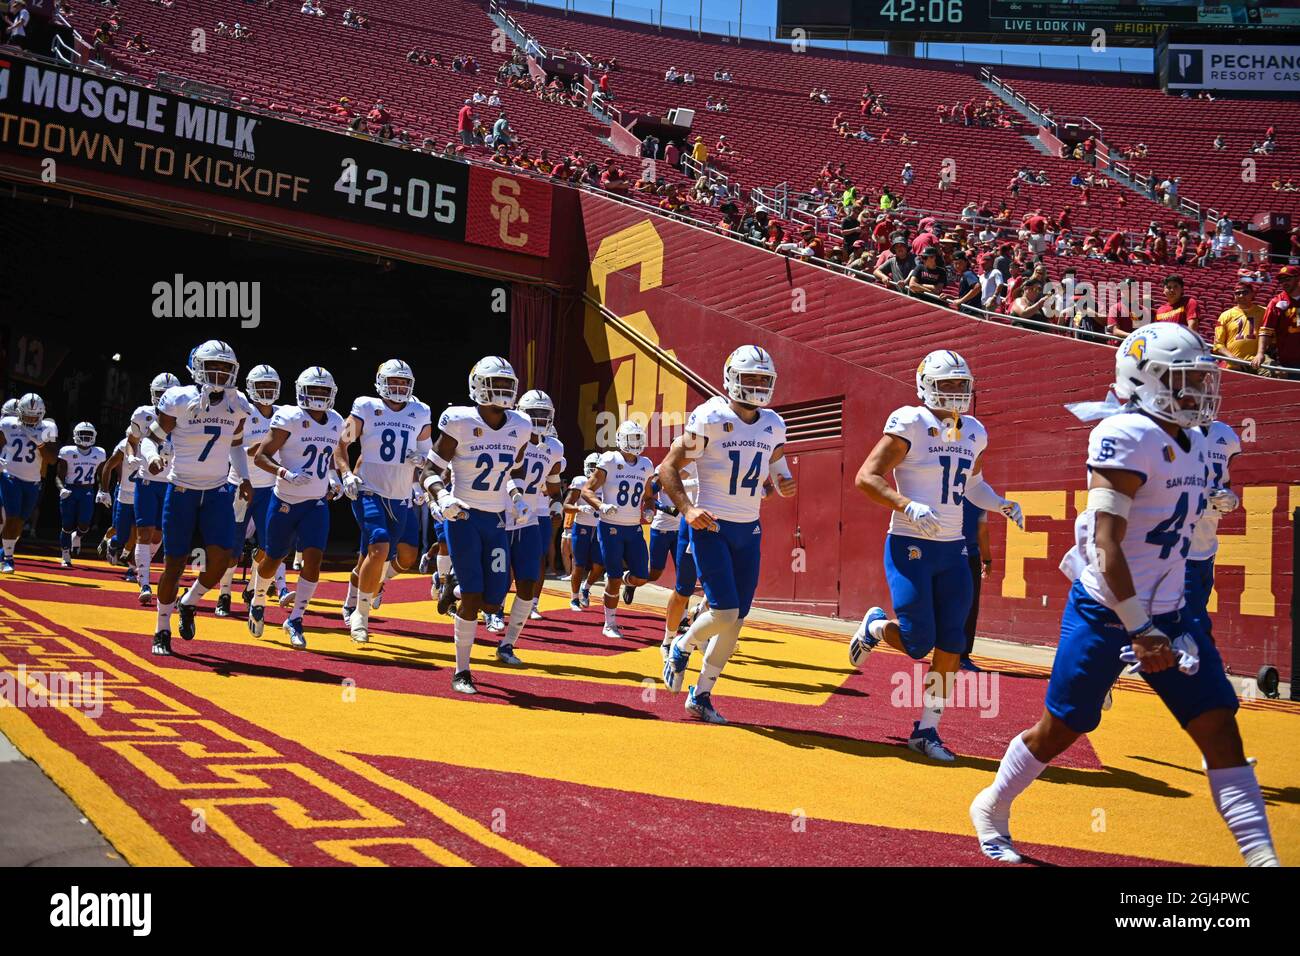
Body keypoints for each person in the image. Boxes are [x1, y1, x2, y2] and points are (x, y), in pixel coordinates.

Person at [971, 324, 1278, 867]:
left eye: (1197, 379)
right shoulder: (1127, 434)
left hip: (1174, 610)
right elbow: (1105, 542)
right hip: (1109, 612)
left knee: (1219, 730)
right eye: (1181, 381)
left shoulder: (1202, 437)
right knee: (1061, 728)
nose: (1195, 392)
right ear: (1143, 381)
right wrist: (1140, 627)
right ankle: (992, 806)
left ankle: (1263, 861)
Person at [849, 351, 1022, 760]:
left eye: (962, 385)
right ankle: (874, 628)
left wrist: (998, 503)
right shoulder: (910, 422)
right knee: (916, 641)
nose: (956, 394)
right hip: (910, 545)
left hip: (953, 549)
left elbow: (972, 486)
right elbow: (865, 477)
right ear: (925, 385)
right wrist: (906, 504)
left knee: (952, 643)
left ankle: (927, 730)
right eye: (947, 385)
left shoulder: (975, 431)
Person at [660, 346, 795, 724]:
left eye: (762, 379)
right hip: (712, 525)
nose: (756, 385)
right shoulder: (712, 416)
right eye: (749, 377)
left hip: (749, 529)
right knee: (724, 610)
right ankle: (682, 647)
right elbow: (668, 467)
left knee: (736, 620)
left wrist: (784, 481)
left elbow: (777, 463)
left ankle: (701, 694)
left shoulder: (773, 423)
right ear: (731, 377)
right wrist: (688, 509)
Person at [420, 357, 531, 694]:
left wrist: (516, 497)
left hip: (496, 518)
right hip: (464, 516)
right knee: (472, 597)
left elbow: (512, 471)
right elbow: (427, 470)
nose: (503, 391)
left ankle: (451, 585)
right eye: (495, 383)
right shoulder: (459, 421)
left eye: (506, 384)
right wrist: (441, 497)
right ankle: (462, 671)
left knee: (494, 600)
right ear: (478, 386)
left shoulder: (522, 425)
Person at [138, 341, 252, 656]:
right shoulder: (179, 398)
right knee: (174, 563)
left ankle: (189, 602)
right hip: (182, 490)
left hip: (217, 490)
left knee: (224, 558)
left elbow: (236, 445)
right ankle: (161, 629)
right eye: (213, 366)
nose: (219, 373)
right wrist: (151, 459)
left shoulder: (238, 403)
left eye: (225, 367)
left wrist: (244, 478)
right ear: (197, 367)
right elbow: (151, 440)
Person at [245, 368, 349, 648]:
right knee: (273, 558)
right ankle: (258, 599)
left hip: (315, 503)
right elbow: (261, 456)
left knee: (314, 559)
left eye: (323, 391)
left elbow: (327, 458)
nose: (318, 396)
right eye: (313, 390)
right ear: (302, 391)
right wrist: (284, 473)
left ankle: (296, 618)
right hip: (286, 501)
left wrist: (334, 478)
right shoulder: (289, 417)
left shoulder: (335, 421)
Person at [340, 359, 433, 643]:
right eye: (394, 381)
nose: (399, 387)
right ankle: (361, 615)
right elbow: (342, 442)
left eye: (404, 382)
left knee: (402, 557)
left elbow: (427, 455)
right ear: (381, 382)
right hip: (369, 488)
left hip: (401, 493)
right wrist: (345, 474)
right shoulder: (366, 406)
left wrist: (420, 477)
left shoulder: (421, 411)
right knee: (378, 548)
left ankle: (370, 586)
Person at [496, 390, 565, 662]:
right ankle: (454, 586)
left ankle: (508, 644)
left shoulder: (555, 447)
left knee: (528, 580)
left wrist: (557, 504)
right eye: (533, 413)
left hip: (530, 519)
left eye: (543, 414)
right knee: (494, 587)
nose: (538, 419)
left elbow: (554, 484)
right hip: (500, 513)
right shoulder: (508, 436)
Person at [216, 365, 284, 617]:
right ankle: (224, 594)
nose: (266, 390)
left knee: (271, 546)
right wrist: (261, 447)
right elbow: (232, 450)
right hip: (240, 485)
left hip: (269, 489)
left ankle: (252, 588)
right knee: (231, 548)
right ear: (251, 387)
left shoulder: (283, 414)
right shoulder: (243, 412)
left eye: (270, 386)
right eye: (261, 385)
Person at [580, 421, 654, 640]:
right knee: (612, 577)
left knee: (641, 576)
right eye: (631, 438)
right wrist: (601, 506)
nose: (636, 443)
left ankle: (627, 583)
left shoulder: (646, 464)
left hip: (633, 527)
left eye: (638, 438)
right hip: (610, 526)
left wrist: (649, 510)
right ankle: (609, 623)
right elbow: (587, 490)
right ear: (621, 439)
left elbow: (649, 496)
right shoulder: (610, 459)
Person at [125, 373, 180, 603]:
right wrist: (130, 457)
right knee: (144, 532)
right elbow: (132, 440)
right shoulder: (142, 414)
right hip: (147, 480)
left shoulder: (186, 416)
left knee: (159, 534)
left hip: (171, 481)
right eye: (160, 395)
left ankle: (139, 564)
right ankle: (144, 581)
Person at [1184, 418, 1241, 637]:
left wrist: (1230, 500)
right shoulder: (1169, 431)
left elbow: (1223, 484)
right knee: (1195, 629)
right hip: (1178, 548)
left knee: (1187, 627)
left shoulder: (1224, 434)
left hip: (1206, 547)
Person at [0, 394, 57, 571]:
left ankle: (5, 551)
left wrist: (40, 443)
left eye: (35, 416)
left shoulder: (48, 427)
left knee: (20, 522)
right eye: (27, 416)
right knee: (12, 517)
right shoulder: (8, 424)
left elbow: (52, 459)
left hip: (33, 480)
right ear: (19, 413)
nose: (31, 420)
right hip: (11, 475)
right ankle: (8, 559)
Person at [56, 423, 106, 568]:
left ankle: (77, 536)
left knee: (85, 524)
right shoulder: (67, 452)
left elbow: (100, 474)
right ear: (75, 435)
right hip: (70, 489)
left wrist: (103, 490)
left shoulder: (99, 453)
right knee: (66, 525)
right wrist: (61, 489)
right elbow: (59, 475)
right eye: (83, 433)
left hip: (87, 490)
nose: (86, 436)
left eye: (89, 433)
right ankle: (65, 555)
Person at [564, 453, 605, 610]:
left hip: (600, 527)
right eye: (591, 466)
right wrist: (579, 508)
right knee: (579, 564)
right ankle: (574, 598)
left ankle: (586, 588)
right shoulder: (580, 481)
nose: (593, 470)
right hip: (581, 526)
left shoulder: (606, 482)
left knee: (599, 564)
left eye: (597, 467)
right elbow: (566, 505)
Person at [960, 498, 990, 671]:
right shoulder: (982, 493)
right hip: (967, 556)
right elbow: (982, 531)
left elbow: (982, 531)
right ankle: (962, 655)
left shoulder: (946, 483)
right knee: (969, 606)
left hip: (946, 551)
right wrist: (987, 559)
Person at [1253, 266, 1300, 374]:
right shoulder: (1276, 302)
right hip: (1287, 360)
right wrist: (1260, 353)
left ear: (1298, 278)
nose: (1284, 283)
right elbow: (1265, 330)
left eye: (1287, 279)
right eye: (1281, 280)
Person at [1214, 283, 1265, 362]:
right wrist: (1231, 357)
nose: (1241, 295)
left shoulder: (1264, 312)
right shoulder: (1225, 315)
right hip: (1233, 362)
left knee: (1278, 372)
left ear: (1252, 294)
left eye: (1245, 292)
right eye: (1238, 293)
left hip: (1258, 360)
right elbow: (1218, 344)